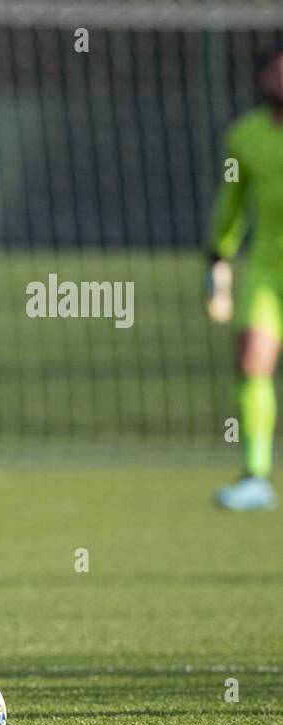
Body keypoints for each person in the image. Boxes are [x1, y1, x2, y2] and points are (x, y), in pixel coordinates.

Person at [208, 51, 283, 510]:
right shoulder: (245, 134)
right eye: (275, 70)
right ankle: (256, 476)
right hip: (266, 269)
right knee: (252, 362)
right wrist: (217, 253)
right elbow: (231, 200)